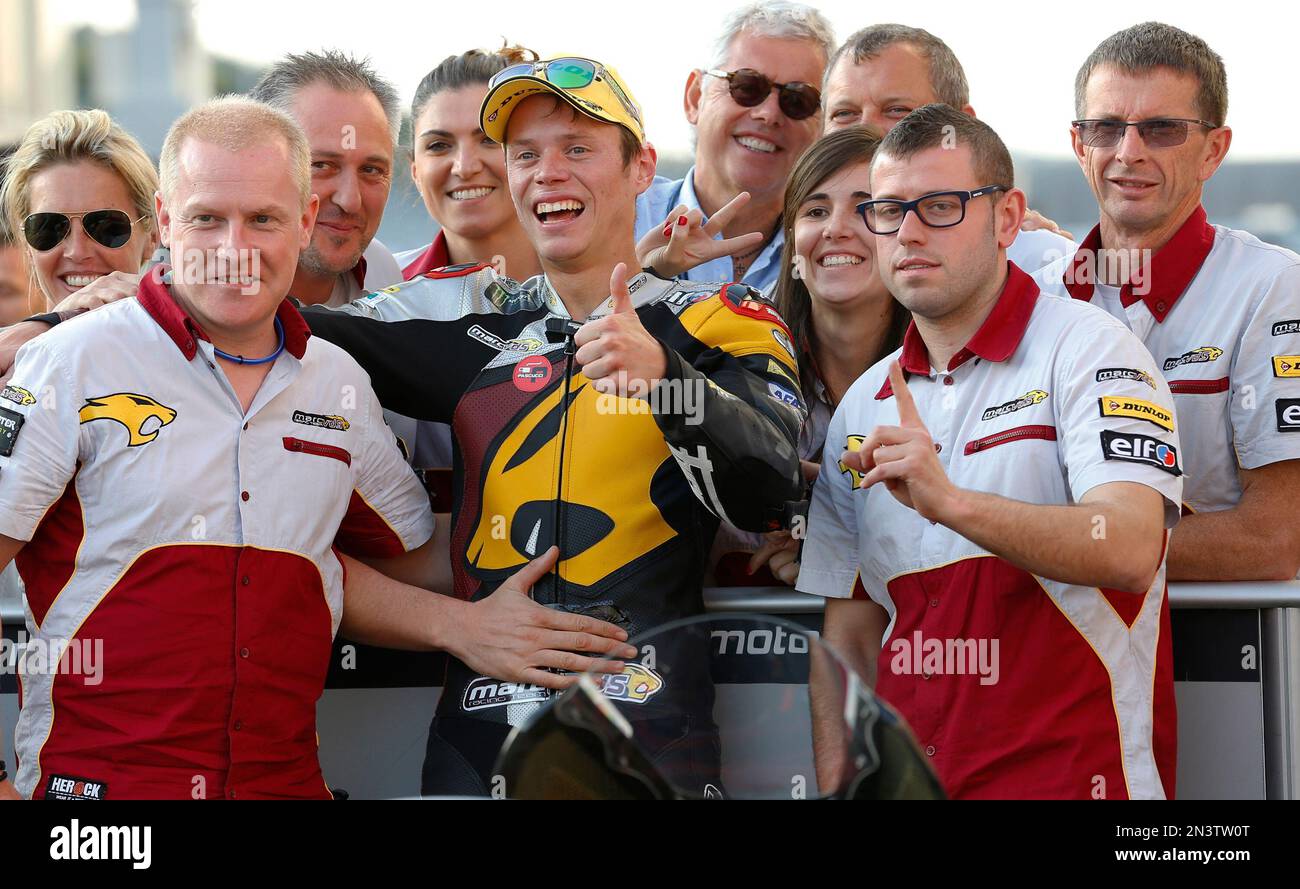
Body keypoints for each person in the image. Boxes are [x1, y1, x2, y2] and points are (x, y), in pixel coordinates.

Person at [0, 96, 632, 800]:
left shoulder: (338, 382)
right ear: (167, 221)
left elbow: (367, 555)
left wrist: (608, 528)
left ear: (304, 222)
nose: (234, 247)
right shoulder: (65, 363)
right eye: (208, 217)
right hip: (100, 809)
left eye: (263, 218)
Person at [302, 55, 807, 795]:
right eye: (527, 155)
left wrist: (665, 378)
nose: (548, 173)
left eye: (577, 149)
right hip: (478, 744)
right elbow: (276, 327)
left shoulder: (721, 321)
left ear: (640, 167)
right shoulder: (473, 319)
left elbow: (771, 490)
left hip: (649, 738)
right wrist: (146, 291)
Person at [798, 104, 1180, 799]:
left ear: (1007, 218)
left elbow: (1129, 545)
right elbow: (848, 639)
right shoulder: (861, 403)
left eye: (940, 206)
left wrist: (952, 503)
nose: (908, 232)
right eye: (887, 210)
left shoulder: (1091, 349)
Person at [1034, 22, 1300, 581]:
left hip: (1224, 658)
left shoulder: (1274, 288)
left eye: (1161, 129)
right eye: (1106, 127)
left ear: (1214, 151)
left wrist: (1032, 548)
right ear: (1079, 144)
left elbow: (1280, 538)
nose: (1128, 152)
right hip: (1057, 658)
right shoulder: (1031, 294)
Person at [712, 125, 907, 586]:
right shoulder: (735, 362)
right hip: (738, 643)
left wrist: (837, 549)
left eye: (867, 208)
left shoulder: (950, 378)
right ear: (792, 238)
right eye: (816, 210)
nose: (836, 229)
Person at [822, 23, 1075, 272]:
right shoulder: (804, 254)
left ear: (962, 125)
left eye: (897, 110)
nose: (866, 129)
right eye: (844, 113)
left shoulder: (1045, 268)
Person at [634, 1, 835, 292]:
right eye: (747, 86)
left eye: (798, 100)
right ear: (694, 98)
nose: (768, 114)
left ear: (823, 127)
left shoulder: (835, 250)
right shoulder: (617, 219)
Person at [250, 50, 404, 306]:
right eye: (321, 165)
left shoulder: (382, 274)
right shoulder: (198, 293)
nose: (350, 200)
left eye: (371, 170)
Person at [397, 43, 543, 283]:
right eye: (438, 146)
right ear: (415, 172)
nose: (464, 168)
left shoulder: (610, 293)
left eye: (490, 139)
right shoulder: (379, 304)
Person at [0, 110, 158, 326]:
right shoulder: (14, 356)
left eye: (106, 227)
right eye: (49, 227)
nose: (77, 252)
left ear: (152, 236)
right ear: (27, 244)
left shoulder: (189, 355)